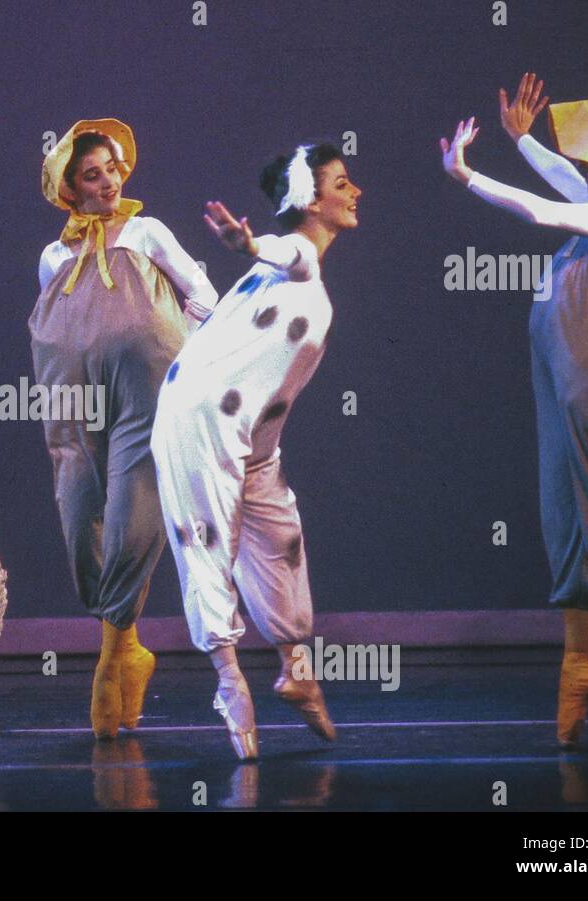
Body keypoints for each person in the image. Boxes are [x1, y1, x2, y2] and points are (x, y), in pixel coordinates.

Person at [440, 74, 588, 754]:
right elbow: (565, 181)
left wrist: (470, 177)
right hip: (568, 390)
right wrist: (522, 141)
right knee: (567, 517)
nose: (587, 165)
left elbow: (547, 212)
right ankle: (578, 661)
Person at [150, 143, 361, 759]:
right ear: (312, 201)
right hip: (201, 419)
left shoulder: (288, 277)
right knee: (209, 541)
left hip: (251, 432)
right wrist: (248, 244)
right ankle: (229, 685)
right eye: (342, 184)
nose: (355, 193)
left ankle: (298, 669)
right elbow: (283, 246)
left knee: (281, 538)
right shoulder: (291, 258)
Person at [32, 119, 218, 739]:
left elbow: (203, 293)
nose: (109, 181)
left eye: (113, 168)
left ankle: (113, 653)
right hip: (77, 393)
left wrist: (183, 349)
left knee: (132, 503)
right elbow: (62, 322)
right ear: (70, 187)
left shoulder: (146, 230)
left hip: (148, 387)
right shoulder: (53, 255)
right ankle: (127, 642)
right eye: (93, 174)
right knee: (77, 501)